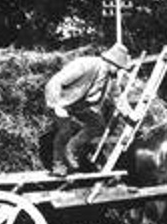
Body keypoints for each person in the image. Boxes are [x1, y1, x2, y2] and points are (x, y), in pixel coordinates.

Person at [44, 43, 131, 176]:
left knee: (97, 124)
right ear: (112, 61)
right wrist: (56, 105)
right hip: (61, 101)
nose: (119, 71)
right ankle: (58, 165)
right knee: (65, 129)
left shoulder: (111, 77)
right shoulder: (85, 65)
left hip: (79, 105)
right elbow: (55, 82)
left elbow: (117, 97)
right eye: (119, 67)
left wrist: (130, 115)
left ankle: (71, 148)